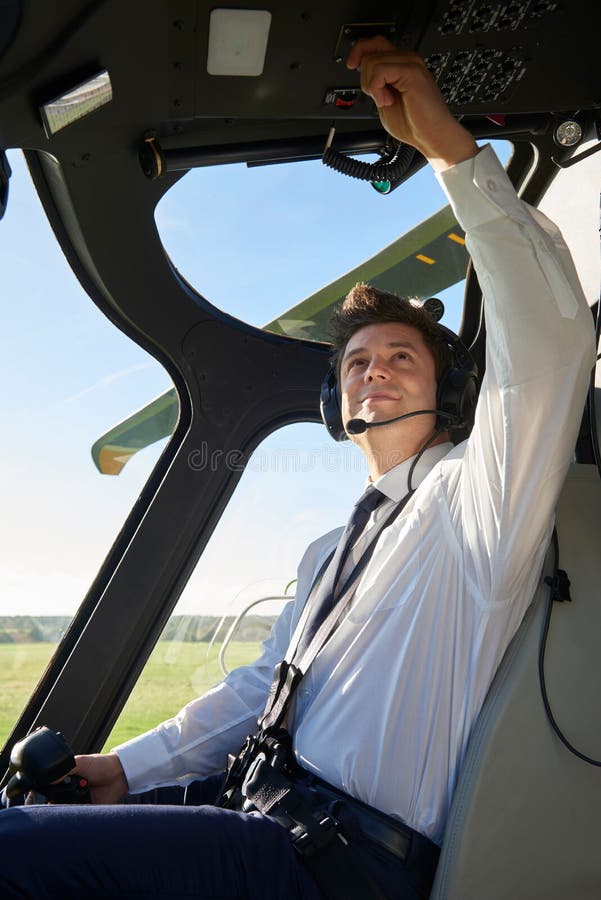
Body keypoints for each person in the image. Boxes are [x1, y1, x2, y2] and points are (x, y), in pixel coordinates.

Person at [0, 36, 595, 900]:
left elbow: (548, 344)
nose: (374, 371)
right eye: (355, 363)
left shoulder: (477, 503)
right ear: (332, 405)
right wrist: (128, 769)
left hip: (345, 863)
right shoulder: (328, 551)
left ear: (453, 391)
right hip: (267, 817)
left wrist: (450, 154)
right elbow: (259, 692)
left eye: (400, 358)